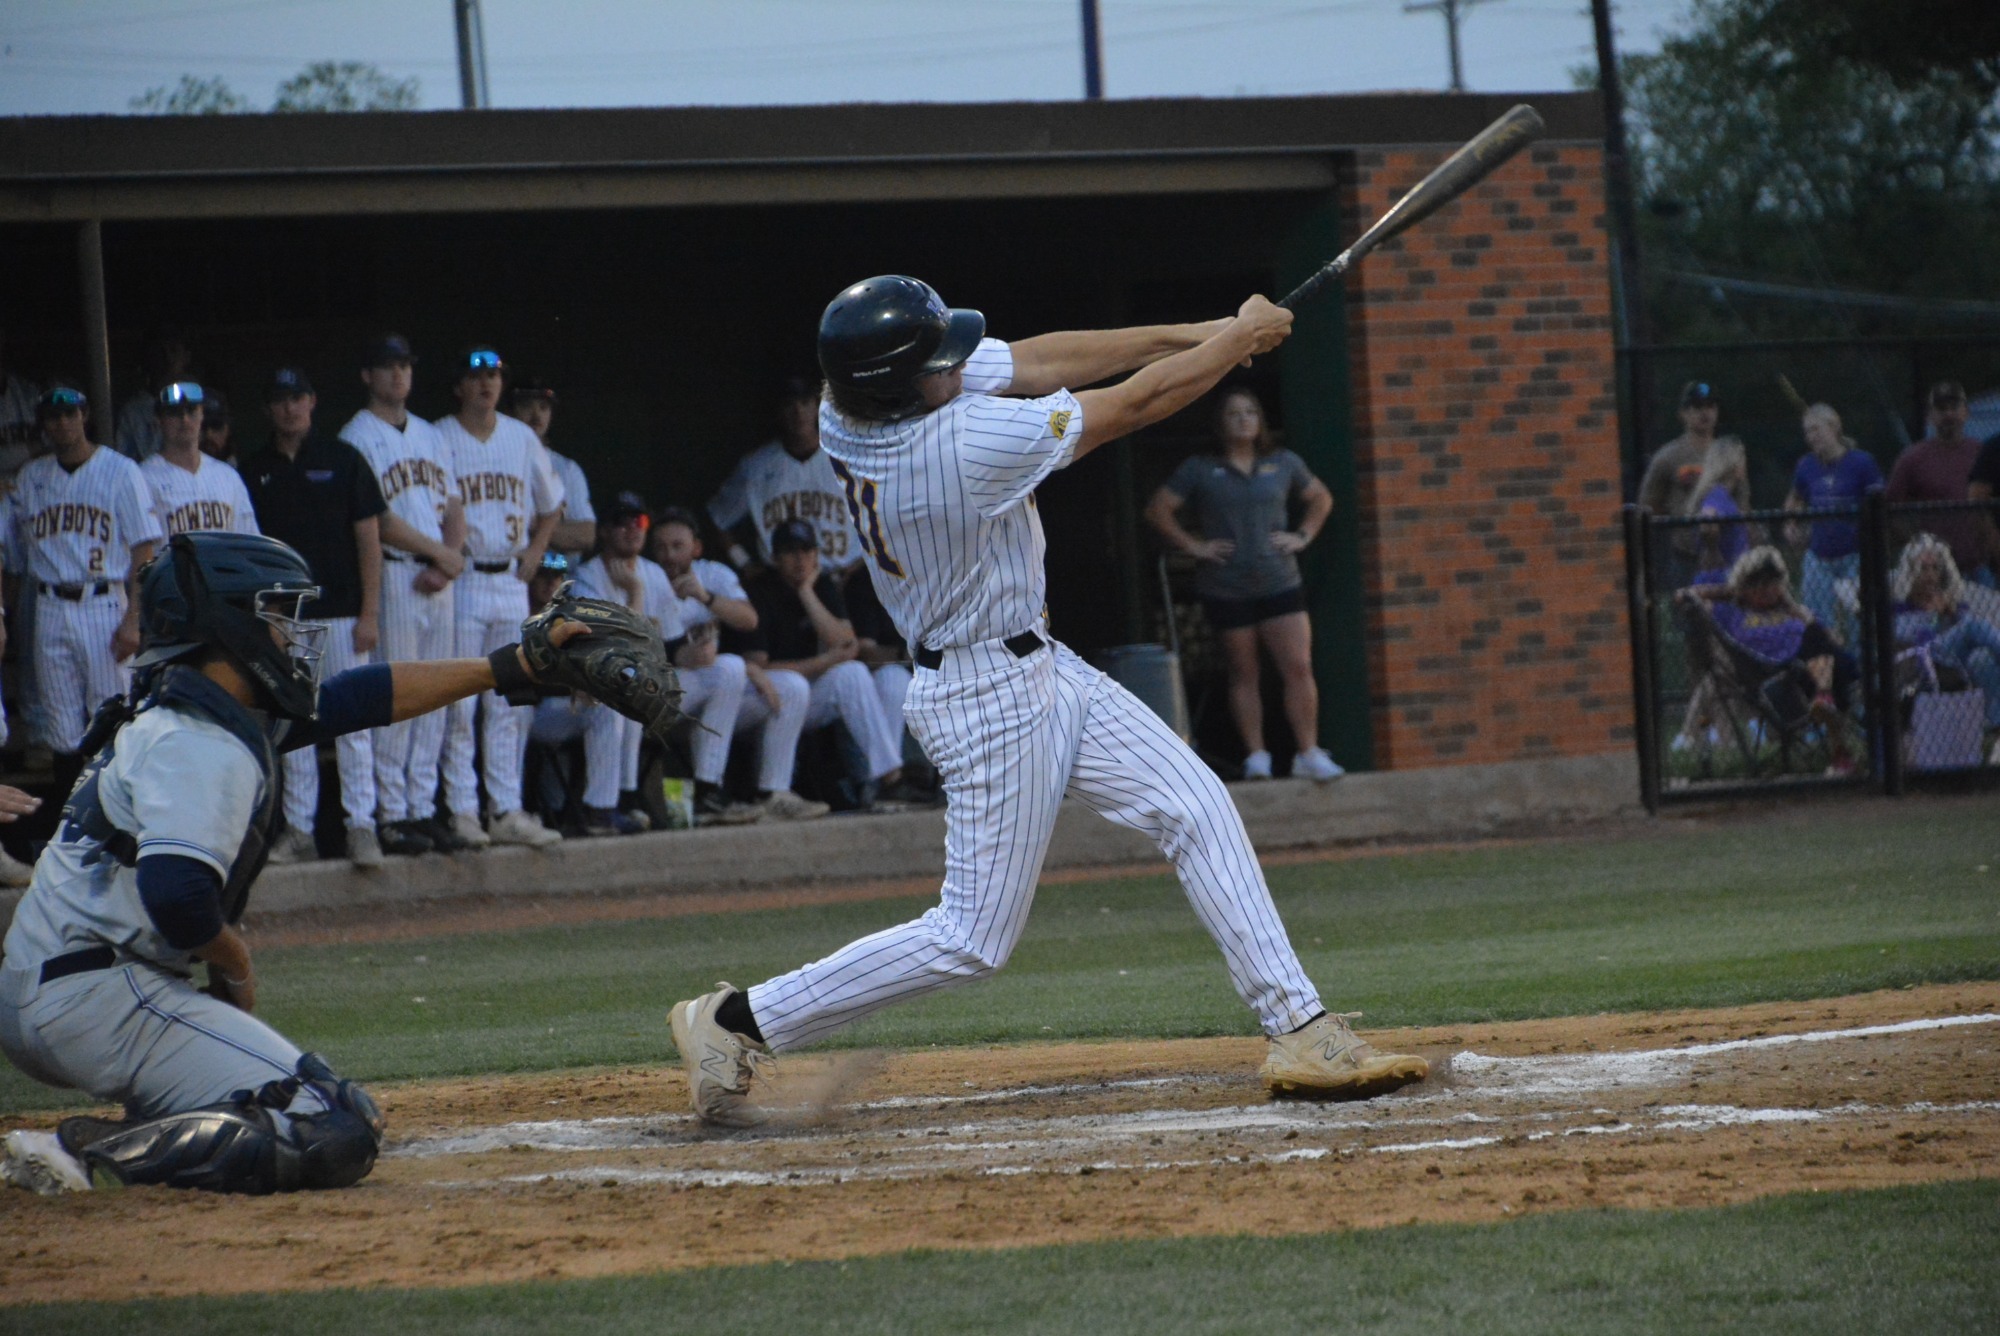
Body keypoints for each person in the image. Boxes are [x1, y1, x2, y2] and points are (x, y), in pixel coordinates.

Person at [668, 275, 1427, 1128]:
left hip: (1037, 662)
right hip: (986, 696)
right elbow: (1137, 404)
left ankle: (1298, 1025)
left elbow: (1037, 358)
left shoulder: (852, 408)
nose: (958, 366)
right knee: (969, 940)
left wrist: (1210, 326)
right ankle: (737, 1020)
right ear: (901, 386)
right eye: (938, 361)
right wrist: (1232, 347)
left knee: (1196, 802)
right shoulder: (957, 445)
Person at [0, 531, 596, 1197]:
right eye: (278, 618)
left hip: (58, 981)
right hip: (95, 997)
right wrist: (236, 964)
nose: (292, 635)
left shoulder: (189, 707)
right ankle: (91, 1154)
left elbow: (356, 700)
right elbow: (178, 898)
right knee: (333, 1122)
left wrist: (508, 666)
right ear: (230, 627)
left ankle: (137, 1127)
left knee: (246, 1103)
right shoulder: (200, 741)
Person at [1144, 384, 1342, 782]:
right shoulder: (1200, 468)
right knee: (1243, 670)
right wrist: (1194, 547)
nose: (1243, 420)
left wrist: (1302, 536)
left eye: (1249, 412)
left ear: (1260, 420)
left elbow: (1321, 497)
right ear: (1220, 423)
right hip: (1226, 585)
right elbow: (1158, 509)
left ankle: (1308, 751)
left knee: (1298, 666)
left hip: (1280, 580)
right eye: (1233, 413)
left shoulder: (1284, 462)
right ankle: (1257, 756)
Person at [240, 368, 388, 869]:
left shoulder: (343, 459)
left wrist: (369, 612)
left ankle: (361, 826)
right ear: (267, 408)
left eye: (298, 397)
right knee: (295, 727)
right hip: (287, 616)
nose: (290, 408)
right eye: (280, 399)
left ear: (313, 402)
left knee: (353, 724)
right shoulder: (254, 469)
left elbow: (369, 540)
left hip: (345, 612)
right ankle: (300, 830)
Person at [338, 334, 470, 857]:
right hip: (394, 575)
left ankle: (422, 806)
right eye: (387, 366)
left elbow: (453, 502)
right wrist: (442, 554)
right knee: (398, 694)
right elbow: (378, 520)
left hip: (438, 580)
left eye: (404, 365)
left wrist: (448, 558)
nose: (398, 374)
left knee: (436, 696)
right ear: (367, 375)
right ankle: (392, 814)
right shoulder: (356, 435)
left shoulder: (433, 434)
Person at [435, 346, 565, 849]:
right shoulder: (440, 435)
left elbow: (553, 503)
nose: (487, 383)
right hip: (465, 579)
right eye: (476, 376)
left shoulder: (522, 437)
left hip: (510, 579)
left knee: (509, 702)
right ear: (459, 387)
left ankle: (506, 808)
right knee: (463, 702)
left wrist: (536, 550)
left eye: (493, 375)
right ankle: (463, 809)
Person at [2, 387, 162, 769]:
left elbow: (144, 551)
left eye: (69, 414)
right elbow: (12, 560)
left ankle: (117, 826)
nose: (62, 422)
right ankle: (71, 824)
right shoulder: (31, 477)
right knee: (61, 731)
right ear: (44, 425)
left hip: (104, 603)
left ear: (84, 415)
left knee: (114, 722)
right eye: (54, 417)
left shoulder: (121, 471)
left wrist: (134, 619)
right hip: (49, 608)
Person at [651, 506, 827, 823]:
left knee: (791, 688)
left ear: (696, 548)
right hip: (664, 695)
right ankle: (708, 792)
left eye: (677, 546)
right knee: (729, 667)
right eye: (661, 547)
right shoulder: (647, 578)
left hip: (713, 695)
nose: (669, 555)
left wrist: (706, 598)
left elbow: (748, 619)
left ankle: (774, 793)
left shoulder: (712, 574)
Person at [741, 518, 906, 809]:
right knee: (796, 686)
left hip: (807, 696)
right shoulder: (759, 590)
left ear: (816, 554)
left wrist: (806, 593)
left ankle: (888, 779)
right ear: (775, 557)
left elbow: (844, 643)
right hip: (767, 699)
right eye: (790, 552)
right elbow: (759, 669)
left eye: (806, 550)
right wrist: (824, 661)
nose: (800, 559)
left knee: (852, 673)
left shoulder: (821, 584)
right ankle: (774, 794)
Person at [568, 493, 684, 836]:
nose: (633, 529)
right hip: (574, 703)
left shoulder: (654, 574)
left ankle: (707, 793)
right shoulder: (586, 577)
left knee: (728, 671)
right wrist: (634, 592)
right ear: (603, 531)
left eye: (640, 521)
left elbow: (671, 644)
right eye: (622, 522)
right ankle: (608, 806)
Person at [708, 374, 857, 574]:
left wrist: (860, 566)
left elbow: (885, 519)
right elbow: (718, 519)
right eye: (789, 404)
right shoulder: (756, 466)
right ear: (778, 411)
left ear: (817, 406)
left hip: (844, 578)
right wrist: (745, 564)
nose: (798, 412)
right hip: (782, 583)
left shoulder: (849, 459)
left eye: (805, 402)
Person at [1890, 535, 2000, 758]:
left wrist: (1951, 615)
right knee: (1972, 626)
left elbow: (1969, 642)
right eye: (1924, 568)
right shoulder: (1901, 607)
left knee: (1982, 659)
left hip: (1953, 669)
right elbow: (1910, 645)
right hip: (1921, 665)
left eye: (1935, 568)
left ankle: (1998, 726)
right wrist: (1935, 619)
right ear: (1911, 572)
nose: (1931, 575)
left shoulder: (1950, 604)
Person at [1783, 403, 1882, 642]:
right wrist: (1791, 524)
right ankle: (1827, 672)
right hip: (1819, 556)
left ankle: (1861, 674)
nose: (1811, 437)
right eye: (1807, 432)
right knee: (1818, 623)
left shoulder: (1862, 463)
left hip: (1854, 556)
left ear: (1834, 427)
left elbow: (1879, 503)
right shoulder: (1806, 465)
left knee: (1859, 624)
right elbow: (1795, 498)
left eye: (1816, 429)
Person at [1638, 381, 1742, 588]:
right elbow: (1647, 504)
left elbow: (1742, 500)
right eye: (1697, 407)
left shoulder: (1730, 455)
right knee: (1688, 614)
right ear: (1683, 413)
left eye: (1711, 406)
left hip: (1727, 554)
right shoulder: (1668, 456)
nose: (1705, 413)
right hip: (1687, 557)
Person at [1887, 382, 1990, 587]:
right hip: (1937, 571)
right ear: (1930, 416)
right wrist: (1918, 545)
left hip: (1983, 565)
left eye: (1954, 408)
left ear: (1966, 413)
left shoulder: (1982, 453)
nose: (1949, 415)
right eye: (1942, 409)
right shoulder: (1913, 458)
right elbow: (1889, 510)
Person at [140, 383, 259, 539]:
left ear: (202, 414)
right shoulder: (142, 477)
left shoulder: (228, 477)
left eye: (191, 411)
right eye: (174, 413)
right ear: (159, 420)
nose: (185, 419)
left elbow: (249, 543)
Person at [506, 375, 596, 557]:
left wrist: (531, 526)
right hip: (508, 574)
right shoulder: (494, 460)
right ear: (509, 413)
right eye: (526, 406)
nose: (536, 415)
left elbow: (586, 535)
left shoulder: (566, 469)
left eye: (544, 408)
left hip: (559, 577)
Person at [112, 332, 195, 464]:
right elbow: (122, 462)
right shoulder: (133, 411)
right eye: (161, 353)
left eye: (173, 351)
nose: (168, 359)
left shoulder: (197, 403)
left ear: (186, 357)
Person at [1683, 436, 1753, 589]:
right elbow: (1708, 521)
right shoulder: (1717, 494)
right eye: (1742, 459)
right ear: (1732, 464)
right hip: (1721, 579)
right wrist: (1712, 550)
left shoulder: (1727, 496)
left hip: (1733, 577)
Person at [198, 388, 237, 468]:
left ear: (229, 429)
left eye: (216, 426)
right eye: (202, 427)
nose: (209, 435)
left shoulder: (244, 473)